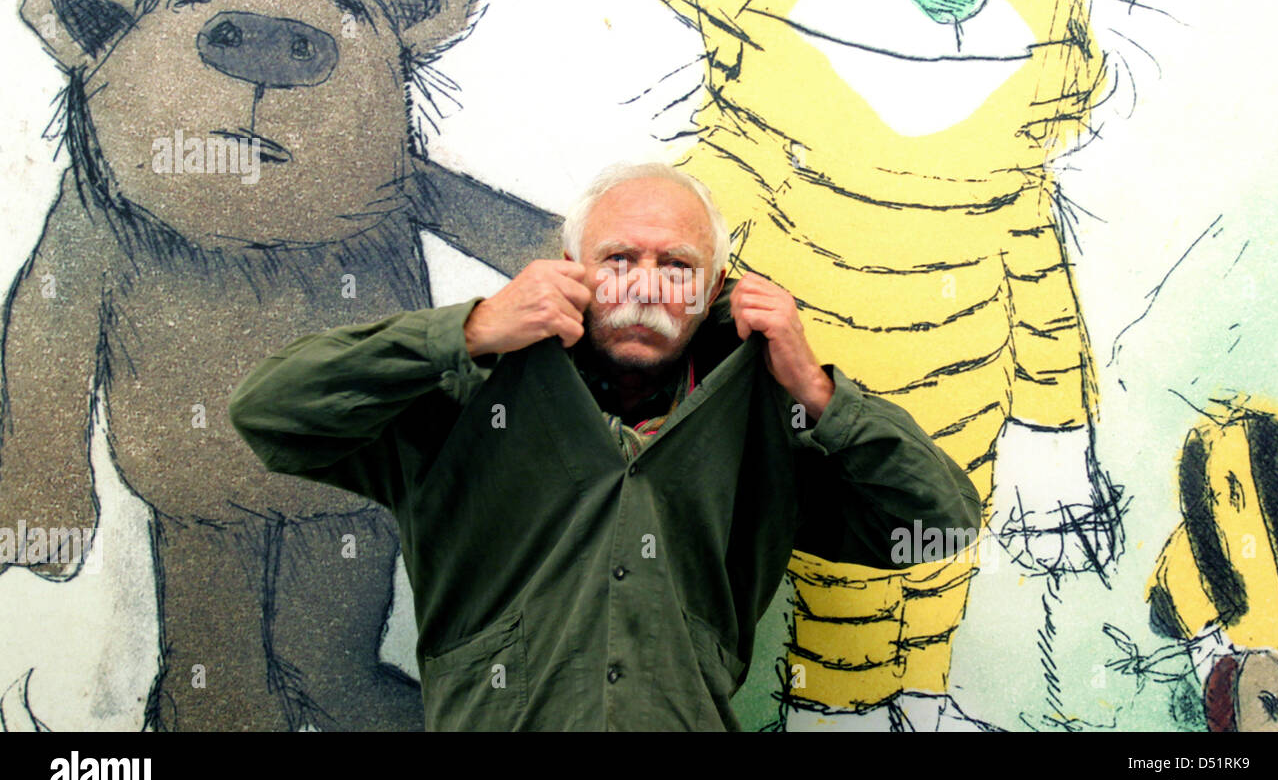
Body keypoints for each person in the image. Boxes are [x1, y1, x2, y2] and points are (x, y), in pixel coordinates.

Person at [227, 162, 981, 731]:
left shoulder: (764, 429)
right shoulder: (462, 401)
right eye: (619, 259)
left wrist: (818, 392)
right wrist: (470, 329)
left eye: (677, 266)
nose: (645, 286)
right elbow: (271, 413)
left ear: (718, 285)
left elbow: (939, 521)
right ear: (573, 269)